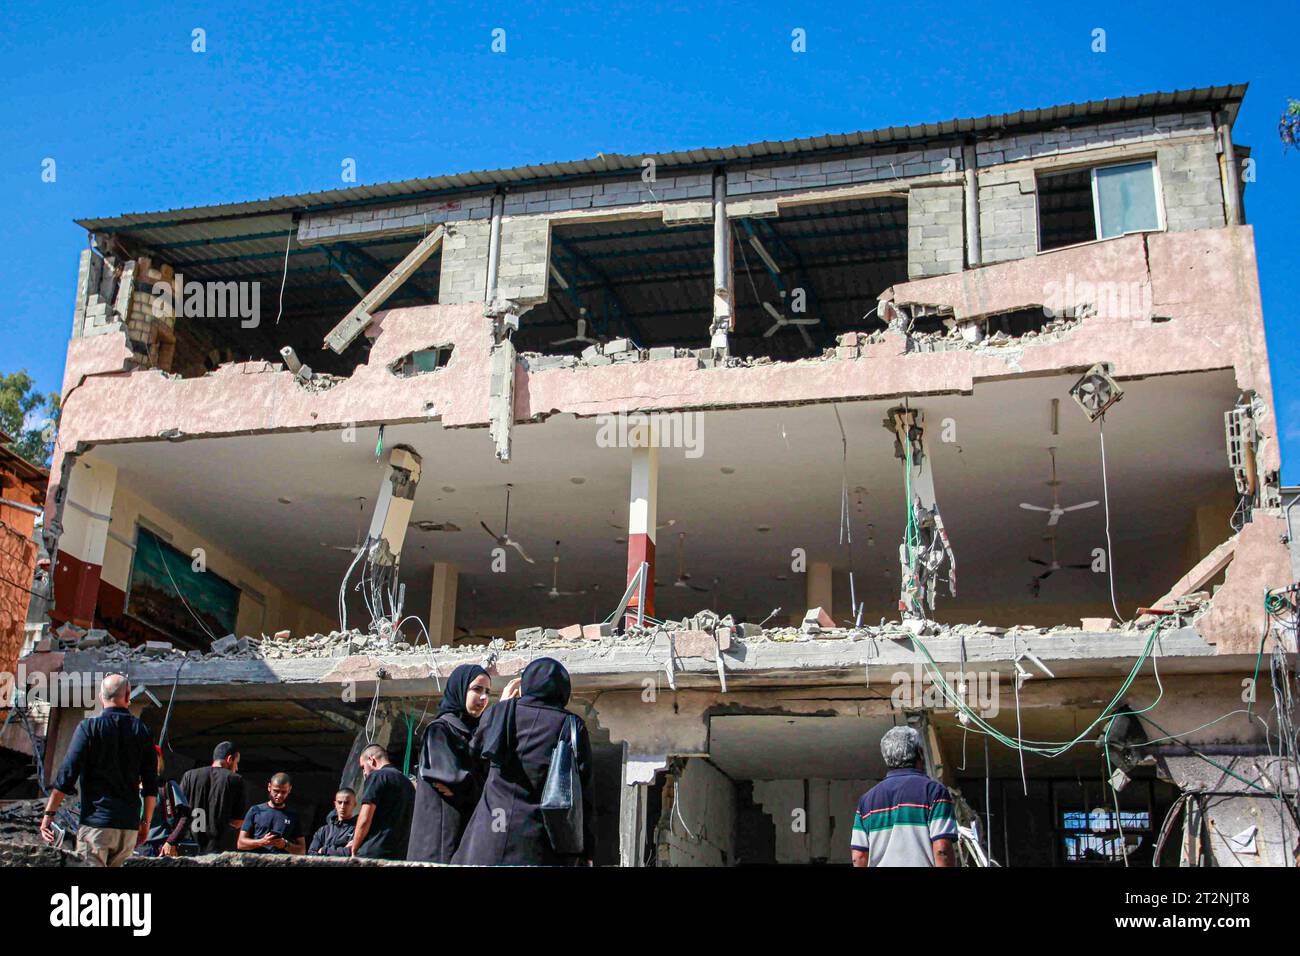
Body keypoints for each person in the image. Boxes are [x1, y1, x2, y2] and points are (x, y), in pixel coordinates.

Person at [453, 657, 595, 866]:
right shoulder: (571, 725)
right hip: (538, 843)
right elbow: (583, 793)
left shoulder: (500, 712)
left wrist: (499, 708)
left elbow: (472, 755)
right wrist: (587, 850)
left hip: (488, 838)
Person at [39, 673, 158, 867]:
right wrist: (146, 823)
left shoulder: (89, 728)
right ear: (128, 696)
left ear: (101, 697)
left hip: (96, 825)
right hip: (127, 828)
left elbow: (67, 774)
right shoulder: (143, 731)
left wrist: (48, 815)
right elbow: (150, 783)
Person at [407, 663, 491, 862]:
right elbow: (453, 778)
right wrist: (476, 788)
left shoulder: (475, 732)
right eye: (477, 689)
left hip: (466, 834)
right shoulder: (441, 730)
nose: (484, 697)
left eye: (487, 691)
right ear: (460, 689)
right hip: (439, 837)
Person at [850, 725, 957, 867]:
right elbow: (942, 849)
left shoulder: (867, 801)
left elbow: (859, 856)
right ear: (920, 753)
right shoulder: (934, 792)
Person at [349, 744, 414, 860]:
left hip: (373, 852)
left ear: (371, 760)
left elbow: (365, 818)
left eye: (363, 767)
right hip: (400, 854)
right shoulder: (407, 783)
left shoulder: (377, 776)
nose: (364, 772)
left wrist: (354, 847)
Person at [180, 741, 246, 854]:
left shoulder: (189, 776)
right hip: (218, 850)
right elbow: (237, 821)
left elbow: (179, 811)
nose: (237, 768)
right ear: (229, 759)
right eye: (236, 762)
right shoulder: (235, 779)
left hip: (189, 846)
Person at [135, 746, 193, 857]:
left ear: (159, 763)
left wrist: (171, 841)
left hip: (162, 849)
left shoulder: (168, 787)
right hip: (136, 850)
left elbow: (185, 816)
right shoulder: (130, 789)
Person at [237, 772, 305, 854]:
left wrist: (285, 844)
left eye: (283, 792)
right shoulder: (255, 810)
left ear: (289, 790)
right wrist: (261, 841)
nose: (279, 795)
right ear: (269, 787)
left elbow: (302, 850)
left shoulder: (293, 815)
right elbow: (241, 843)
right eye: (276, 791)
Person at [308, 788, 358, 856]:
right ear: (335, 804)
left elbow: (350, 852)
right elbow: (311, 853)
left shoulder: (358, 830)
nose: (342, 806)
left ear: (354, 804)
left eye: (347, 803)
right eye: (340, 802)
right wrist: (340, 851)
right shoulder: (323, 830)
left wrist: (323, 850)